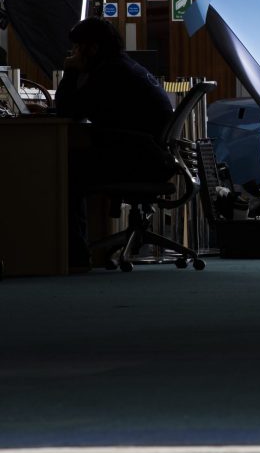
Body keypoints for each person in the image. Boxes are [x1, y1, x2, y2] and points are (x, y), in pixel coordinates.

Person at [57, 18, 174, 271]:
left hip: (137, 160)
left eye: (78, 48)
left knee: (63, 172)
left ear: (93, 49)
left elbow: (67, 111)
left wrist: (71, 71)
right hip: (148, 157)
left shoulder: (109, 74)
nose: (74, 53)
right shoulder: (125, 67)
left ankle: (76, 256)